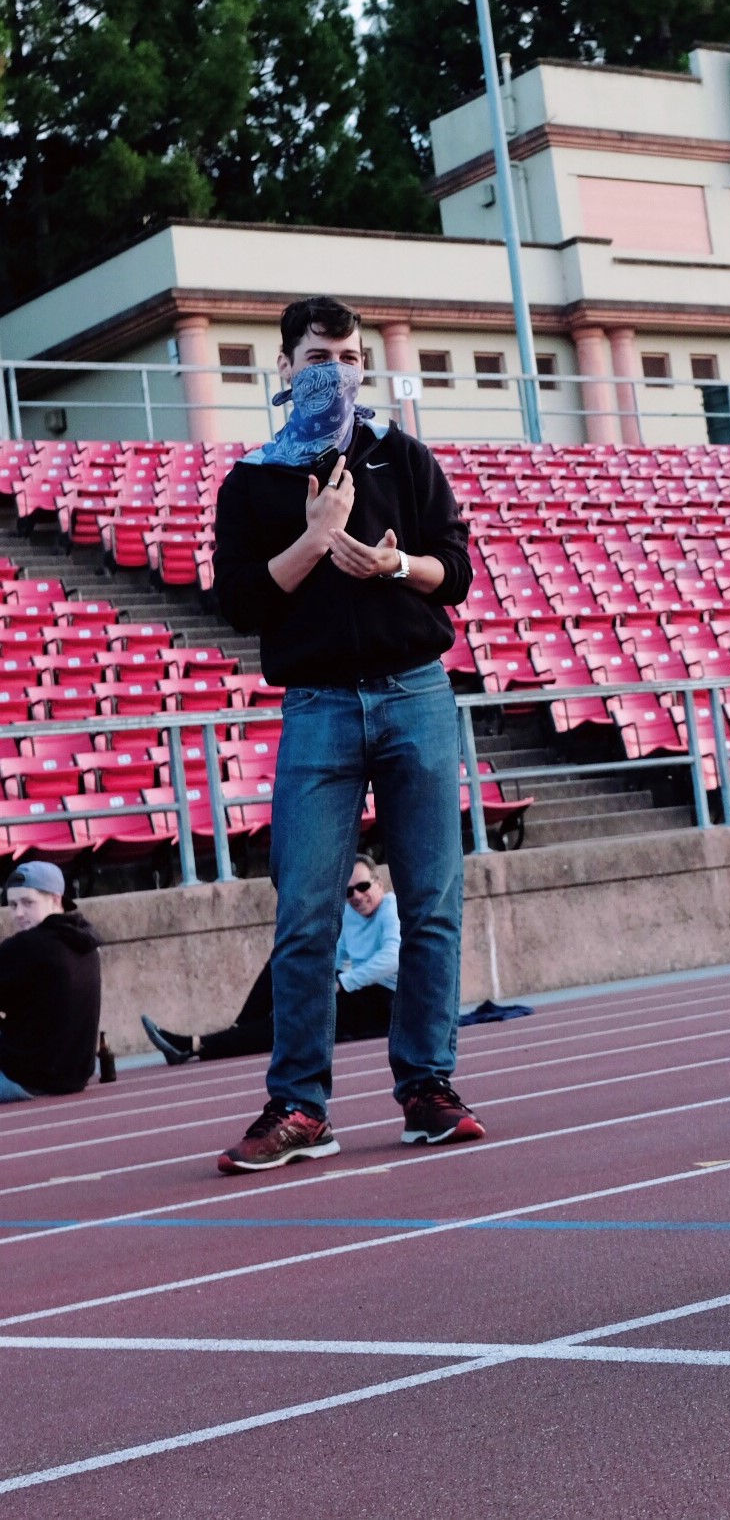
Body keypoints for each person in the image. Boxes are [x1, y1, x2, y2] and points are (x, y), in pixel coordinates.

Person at [210, 295, 484, 1173]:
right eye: (323, 355)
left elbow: (456, 575)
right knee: (305, 913)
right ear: (287, 366)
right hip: (319, 704)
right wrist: (316, 538)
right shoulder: (253, 479)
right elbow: (242, 601)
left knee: (433, 903)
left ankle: (428, 1087)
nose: (341, 369)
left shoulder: (401, 455)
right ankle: (299, 1106)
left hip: (415, 692)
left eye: (353, 355)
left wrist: (395, 564)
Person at [143, 859, 399, 1063]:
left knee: (296, 1022)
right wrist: (308, 977)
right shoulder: (351, 912)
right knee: (284, 963)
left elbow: (392, 957)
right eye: (348, 890)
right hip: (358, 988)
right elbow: (336, 956)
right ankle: (237, 1028)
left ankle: (196, 1045)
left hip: (384, 1002)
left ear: (378, 883)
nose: (356, 896)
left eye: (363, 887)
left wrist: (342, 983)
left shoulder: (390, 907)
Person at [0, 862, 102, 1103]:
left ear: (56, 900)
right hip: (75, 1075)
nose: (19, 914)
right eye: (13, 905)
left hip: (25, 1078)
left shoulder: (27, 946)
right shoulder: (87, 943)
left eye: (28, 903)